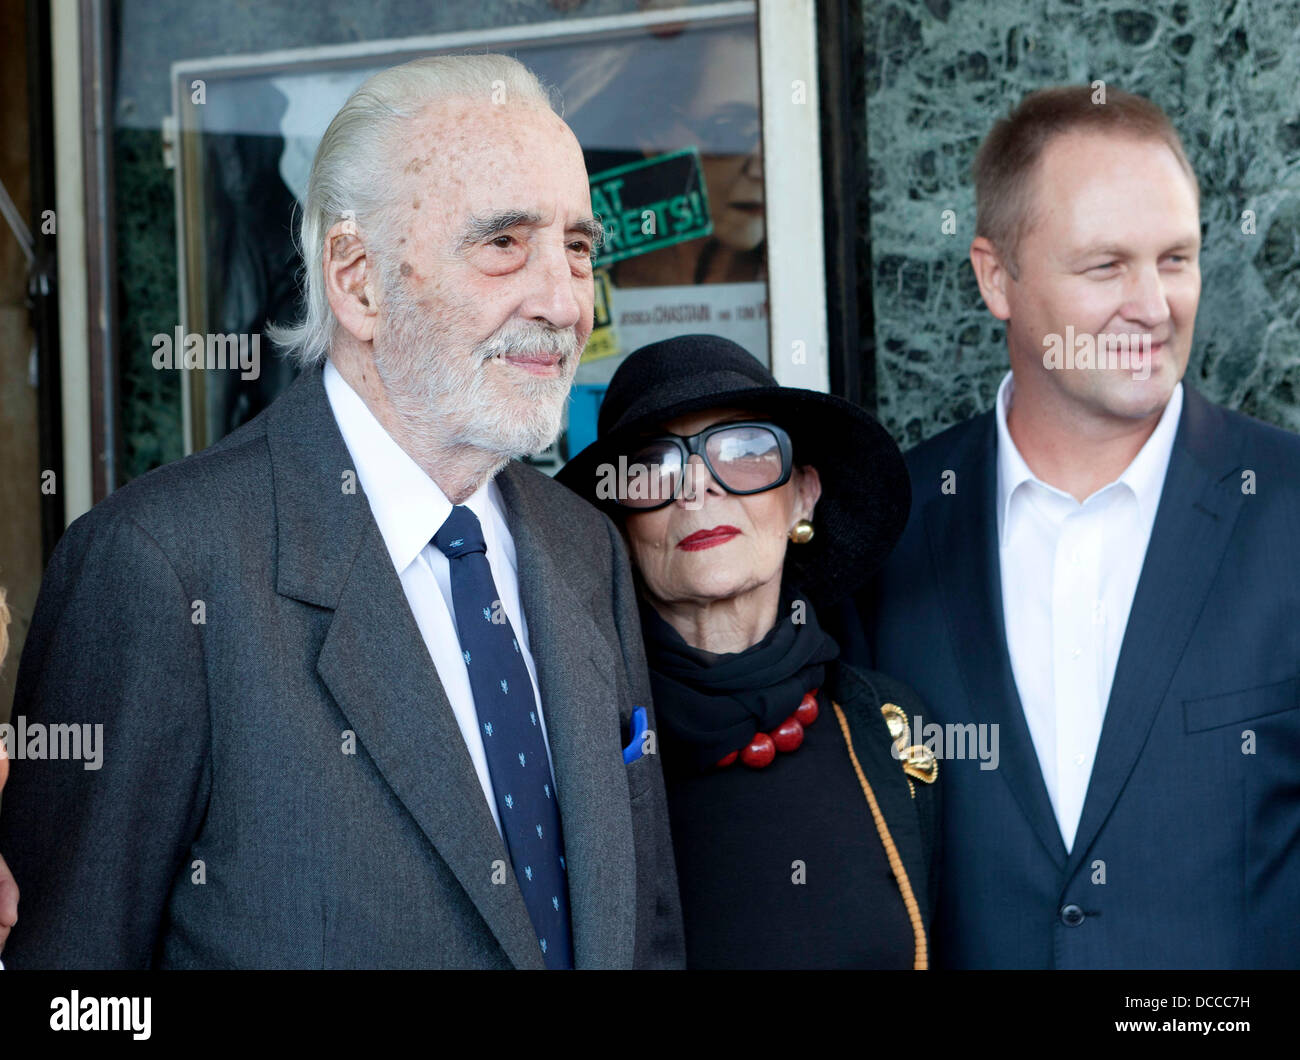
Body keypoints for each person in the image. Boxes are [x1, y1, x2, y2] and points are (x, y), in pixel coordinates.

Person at [0, 54, 683, 969]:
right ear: (357, 281)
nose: (564, 300)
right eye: (504, 244)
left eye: (577, 246)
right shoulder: (161, 567)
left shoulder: (582, 546)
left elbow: (648, 934)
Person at [839, 86, 1300, 968]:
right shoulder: (890, 529)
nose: (1153, 304)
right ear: (993, 276)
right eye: (1105, 266)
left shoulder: (1285, 507)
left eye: (1175, 258)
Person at [556, 334, 938, 969]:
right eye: (654, 465)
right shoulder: (575, 746)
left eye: (744, 450)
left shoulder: (894, 731)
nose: (698, 487)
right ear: (618, 523)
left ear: (803, 497)